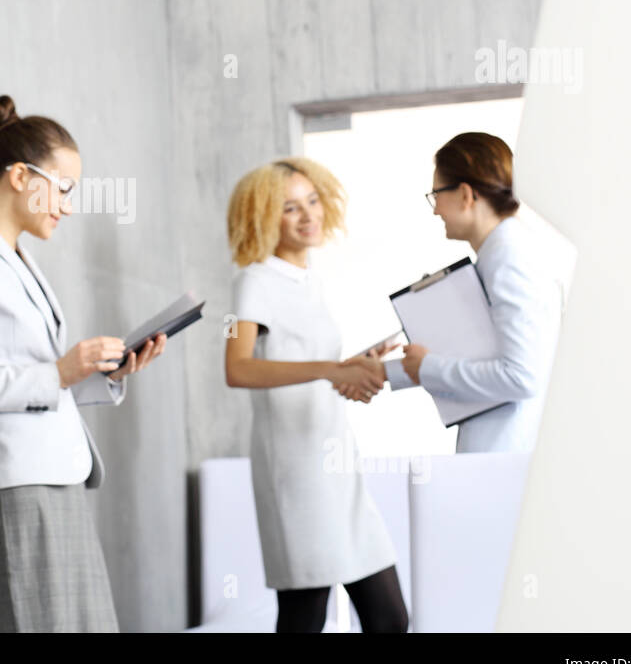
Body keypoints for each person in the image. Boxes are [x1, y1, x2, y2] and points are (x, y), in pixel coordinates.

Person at [0, 93, 167, 632]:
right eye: (65, 187)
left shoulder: (20, 258)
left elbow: (45, 383)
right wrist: (59, 372)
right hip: (14, 477)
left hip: (55, 474)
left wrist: (102, 375)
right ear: (20, 176)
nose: (69, 206)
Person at [225, 157, 409, 633]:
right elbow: (238, 367)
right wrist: (332, 368)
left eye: (311, 201)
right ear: (264, 216)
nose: (308, 215)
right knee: (306, 614)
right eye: (290, 207)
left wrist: (355, 363)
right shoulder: (253, 280)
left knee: (389, 619)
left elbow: (305, 364)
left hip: (336, 462)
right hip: (295, 471)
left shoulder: (310, 280)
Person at [384, 132, 562, 453]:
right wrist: (386, 371)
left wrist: (427, 367)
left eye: (437, 193)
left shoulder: (509, 258)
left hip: (507, 452)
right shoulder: (503, 252)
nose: (436, 209)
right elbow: (479, 354)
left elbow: (521, 376)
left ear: (465, 194)